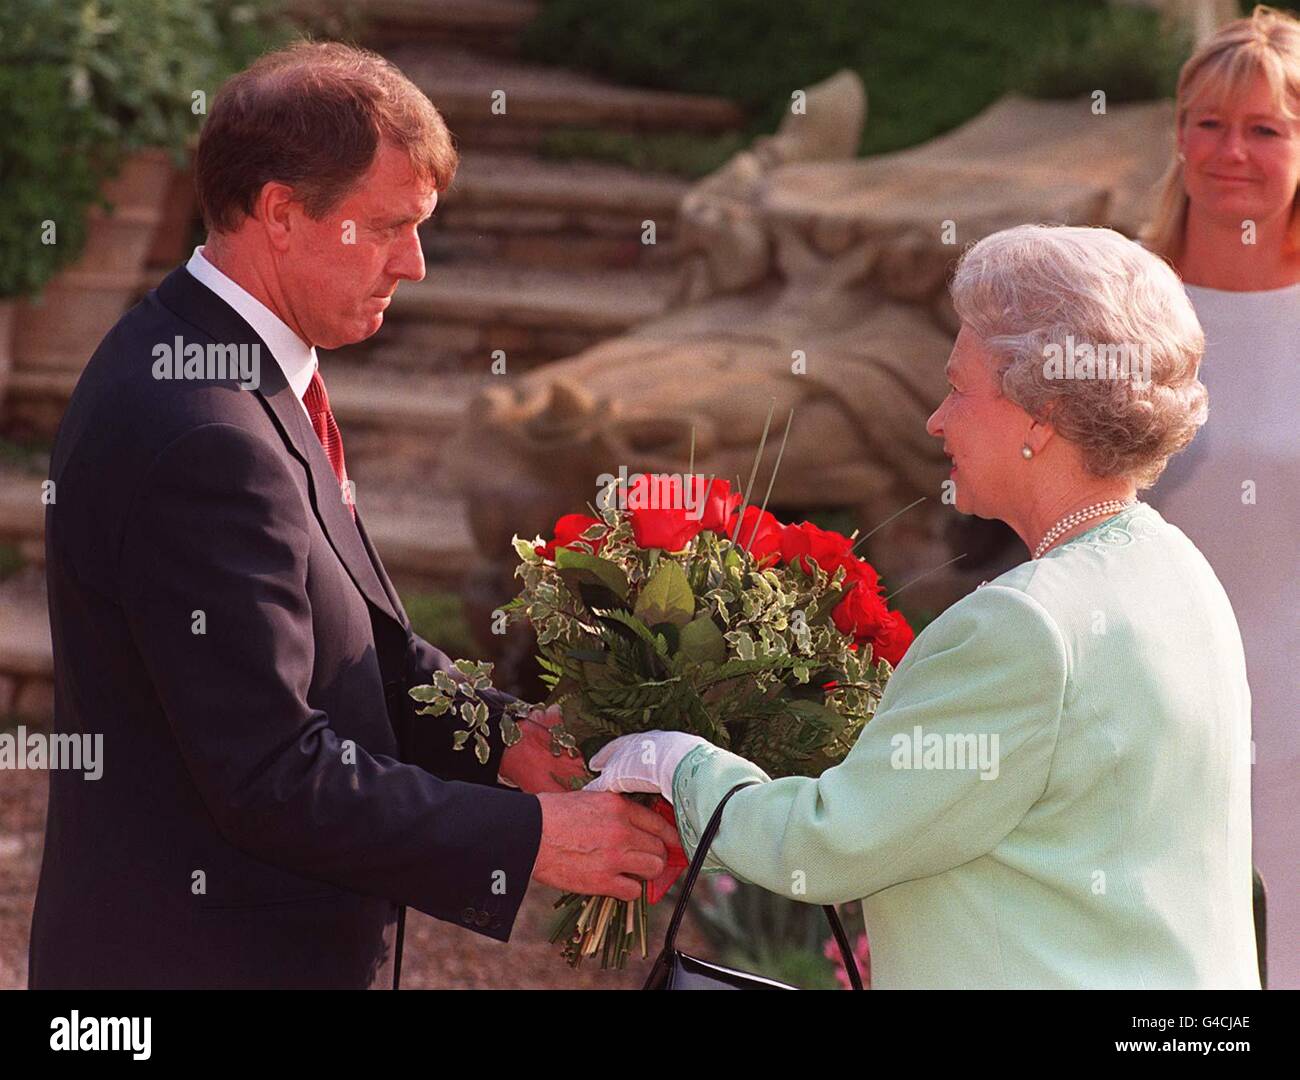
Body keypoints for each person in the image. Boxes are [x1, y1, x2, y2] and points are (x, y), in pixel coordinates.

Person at [29, 40, 676, 990]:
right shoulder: (205, 434)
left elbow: (355, 651)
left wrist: (508, 740)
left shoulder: (217, 360)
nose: (412, 264)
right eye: (384, 228)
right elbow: (269, 772)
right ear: (281, 214)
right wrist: (533, 839)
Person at [588, 225, 1260, 989]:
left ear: (1041, 413)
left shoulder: (1028, 626)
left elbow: (826, 845)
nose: (937, 419)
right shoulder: (1179, 569)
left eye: (959, 388)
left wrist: (679, 765)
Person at [1142, 3, 1300, 990]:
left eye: (1264, 127)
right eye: (1206, 121)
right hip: (1145, 697)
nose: (1228, 150)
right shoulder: (1123, 301)